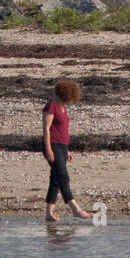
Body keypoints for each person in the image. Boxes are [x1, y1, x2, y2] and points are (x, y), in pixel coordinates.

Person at [42, 79, 90, 222]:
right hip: (53, 146)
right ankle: (76, 209)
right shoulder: (51, 107)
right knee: (63, 177)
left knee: (55, 180)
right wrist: (48, 148)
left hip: (63, 146)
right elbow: (46, 129)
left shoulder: (63, 107)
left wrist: (67, 150)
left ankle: (48, 213)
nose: (70, 102)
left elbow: (62, 130)